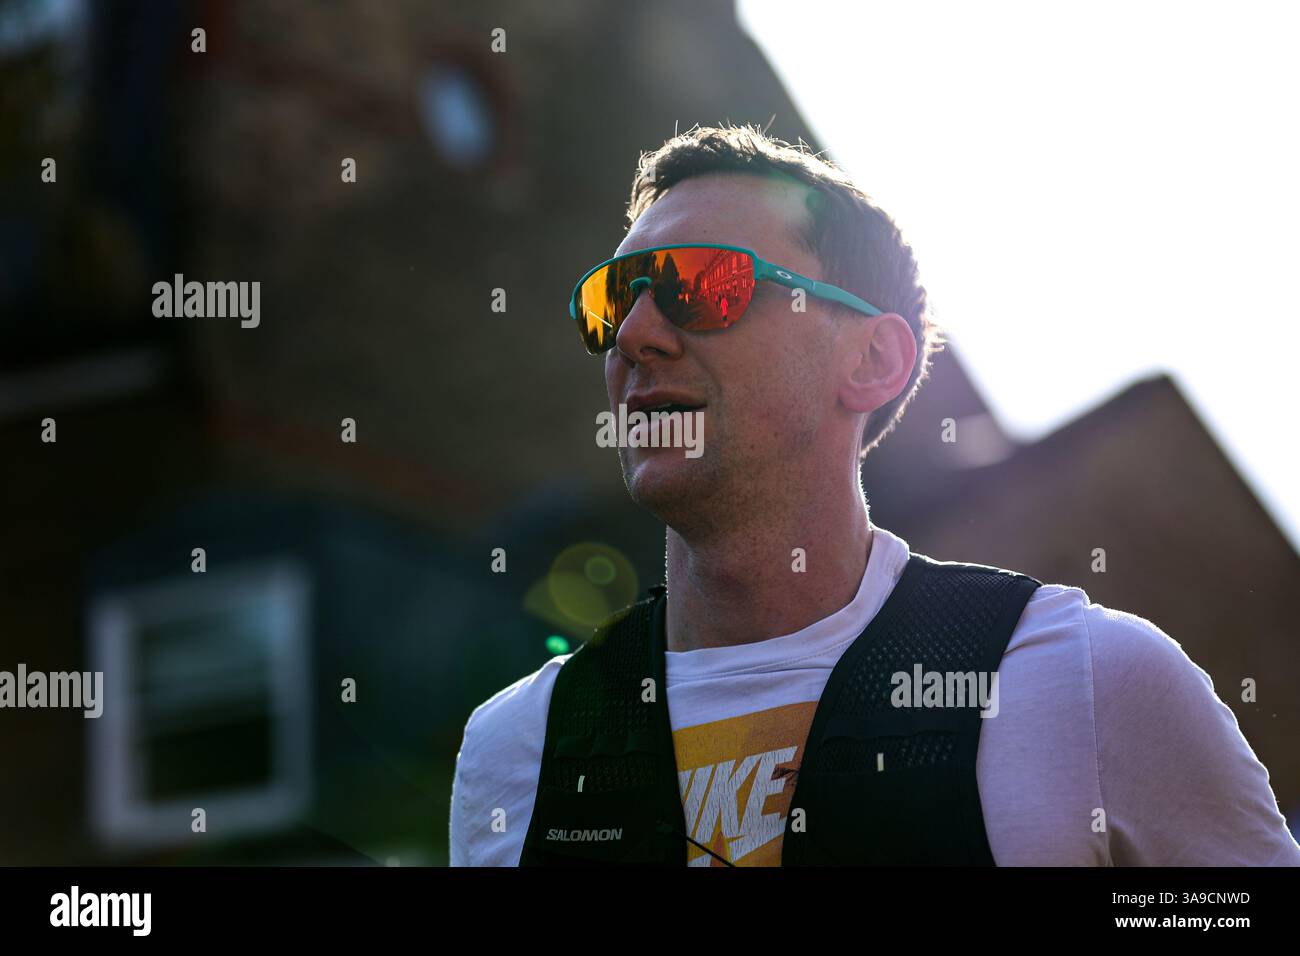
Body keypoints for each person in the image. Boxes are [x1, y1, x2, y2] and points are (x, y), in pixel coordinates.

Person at [449, 123, 1300, 867]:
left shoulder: (1088, 681)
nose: (633, 335)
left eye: (696, 285)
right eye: (613, 299)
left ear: (873, 362)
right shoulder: (518, 747)